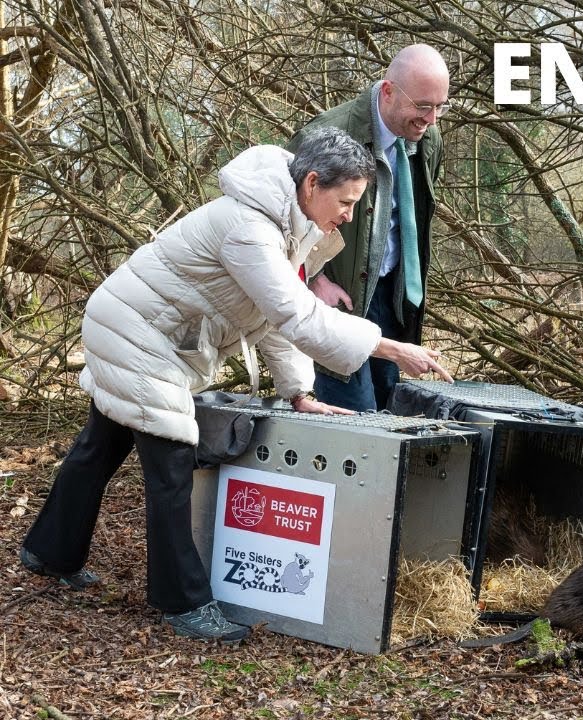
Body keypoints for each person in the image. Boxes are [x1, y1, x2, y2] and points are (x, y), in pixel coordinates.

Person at [19, 127, 452, 643]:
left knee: (102, 444)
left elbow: (271, 318)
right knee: (173, 460)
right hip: (136, 332)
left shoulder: (285, 224)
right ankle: (182, 604)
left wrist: (299, 392)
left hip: (143, 328)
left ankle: (49, 551)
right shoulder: (249, 228)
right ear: (312, 183)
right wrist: (391, 348)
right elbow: (297, 315)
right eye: (346, 201)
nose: (350, 216)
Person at [287, 44, 450, 411]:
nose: (433, 118)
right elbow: (284, 220)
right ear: (389, 91)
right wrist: (314, 279)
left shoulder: (428, 138)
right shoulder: (326, 134)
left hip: (392, 295)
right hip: (338, 297)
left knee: (385, 411)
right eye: (423, 106)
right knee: (355, 419)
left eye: (441, 106)